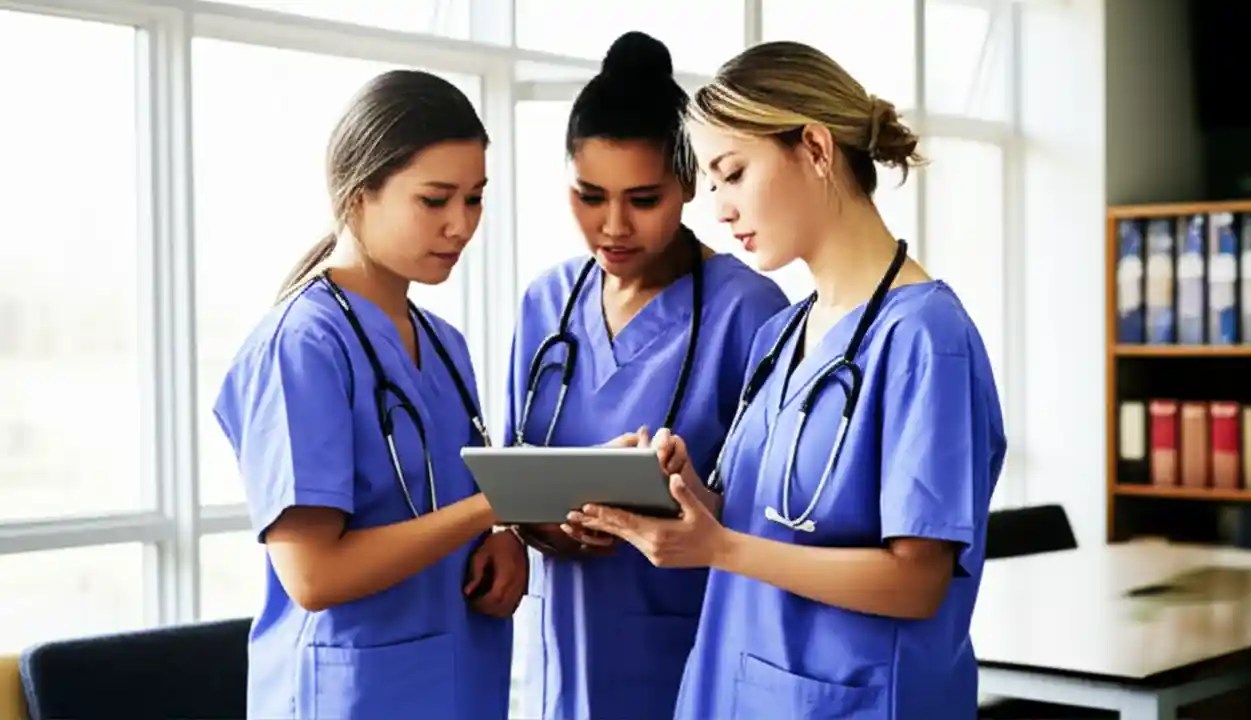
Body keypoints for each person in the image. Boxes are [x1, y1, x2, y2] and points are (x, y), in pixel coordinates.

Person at [566, 41, 1007, 720]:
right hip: (734, 690)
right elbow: (776, 525)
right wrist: (693, 498)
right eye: (710, 183)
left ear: (815, 149)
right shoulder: (781, 338)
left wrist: (722, 547)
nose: (718, 208)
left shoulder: (924, 338)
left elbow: (918, 582)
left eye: (733, 173)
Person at [212, 69, 529, 720]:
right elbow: (314, 577)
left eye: (474, 199)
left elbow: (447, 506)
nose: (461, 225)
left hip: (455, 683)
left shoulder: (443, 343)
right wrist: (488, 510)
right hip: (348, 694)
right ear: (358, 197)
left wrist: (503, 540)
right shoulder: (303, 346)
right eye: (435, 200)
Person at [504, 31, 791, 720]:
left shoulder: (749, 310)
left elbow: (773, 526)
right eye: (589, 196)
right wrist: (551, 524)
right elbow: (514, 480)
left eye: (642, 198)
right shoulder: (548, 303)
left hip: (689, 656)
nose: (612, 226)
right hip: (560, 658)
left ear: (690, 184)